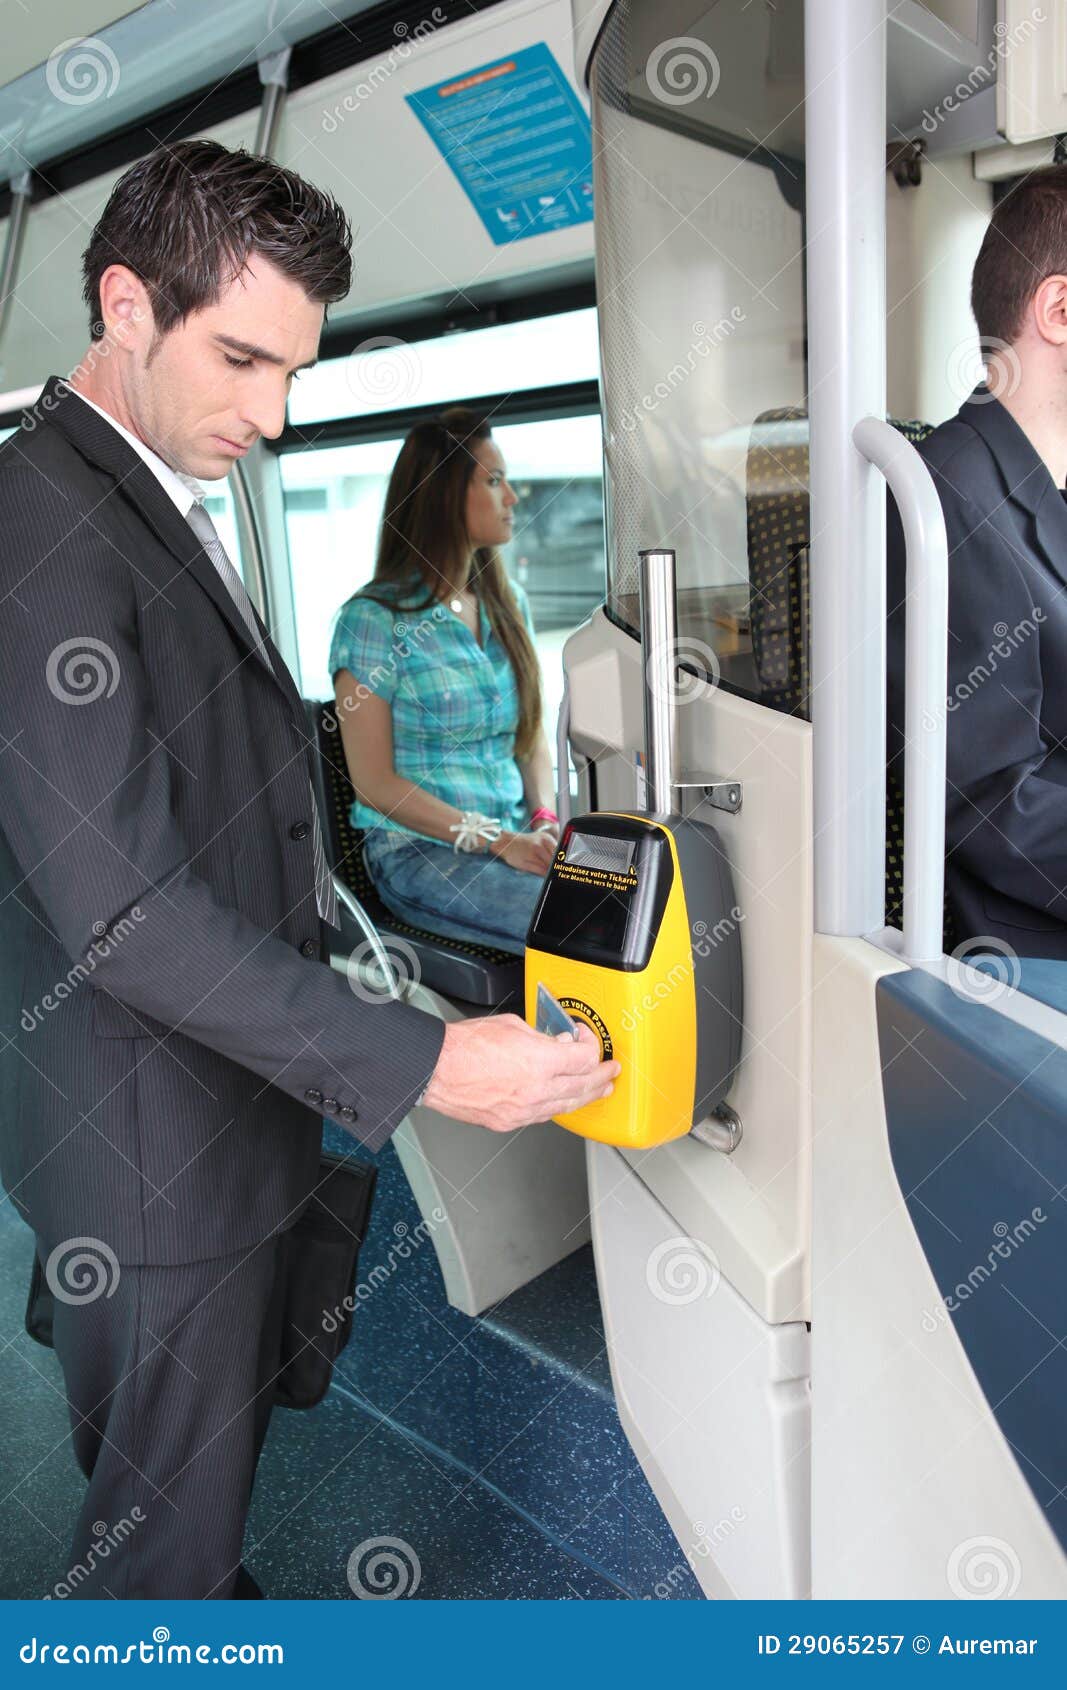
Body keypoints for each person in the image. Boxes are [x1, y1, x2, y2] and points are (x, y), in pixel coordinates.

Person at [0, 139, 617, 1602]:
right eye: (239, 361)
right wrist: (418, 1061)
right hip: (155, 1150)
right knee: (156, 1547)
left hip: (199, 1102)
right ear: (124, 306)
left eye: (294, 373)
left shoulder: (136, 491)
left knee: (174, 1503)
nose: (271, 417)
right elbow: (125, 909)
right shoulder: (41, 527)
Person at [887, 163, 1067, 959]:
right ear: (1058, 310)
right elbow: (991, 804)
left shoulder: (1042, 486)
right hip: (1034, 943)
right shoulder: (947, 501)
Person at [330, 411, 560, 954]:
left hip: (512, 839)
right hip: (420, 853)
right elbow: (375, 785)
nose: (513, 498)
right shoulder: (372, 620)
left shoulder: (509, 607)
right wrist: (497, 840)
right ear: (445, 495)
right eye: (494, 481)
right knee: (579, 926)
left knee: (637, 901)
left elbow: (530, 740)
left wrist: (545, 820)